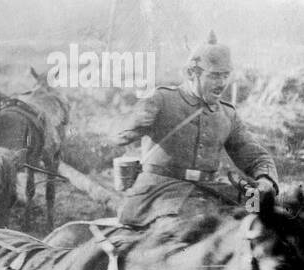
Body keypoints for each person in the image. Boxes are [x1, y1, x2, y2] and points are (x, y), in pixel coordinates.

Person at [115, 32, 276, 226]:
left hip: (209, 189)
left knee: (267, 216)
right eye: (215, 76)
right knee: (198, 225)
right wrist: (132, 124)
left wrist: (265, 181)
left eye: (225, 76)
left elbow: (256, 157)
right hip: (159, 191)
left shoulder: (227, 114)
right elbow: (118, 135)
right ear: (192, 73)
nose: (222, 83)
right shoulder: (162, 99)